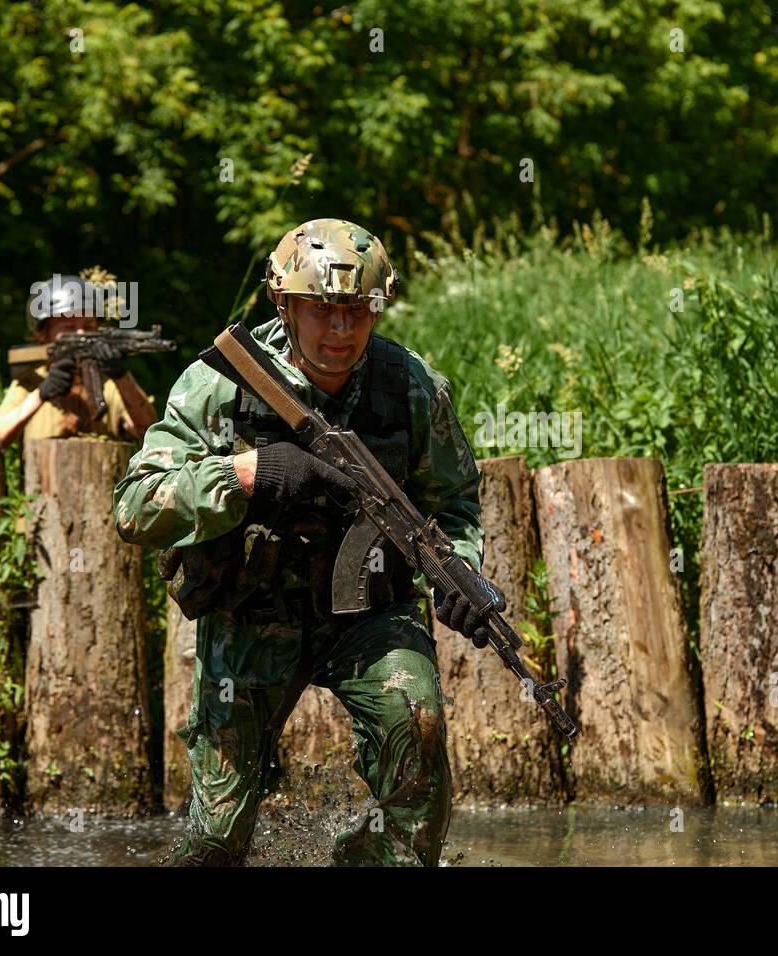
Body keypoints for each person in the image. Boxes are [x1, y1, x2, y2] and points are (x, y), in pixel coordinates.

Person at [112, 218, 496, 866]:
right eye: (322, 310)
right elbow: (134, 507)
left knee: (419, 732)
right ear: (283, 303)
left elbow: (453, 503)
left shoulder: (411, 388)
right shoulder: (221, 382)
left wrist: (458, 573)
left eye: (357, 311)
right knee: (215, 841)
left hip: (371, 610)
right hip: (251, 610)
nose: (341, 331)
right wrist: (247, 474)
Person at [0, 275, 156, 443]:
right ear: (42, 335)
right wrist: (42, 393)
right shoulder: (31, 381)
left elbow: (148, 431)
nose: (81, 334)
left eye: (88, 326)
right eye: (69, 327)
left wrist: (121, 375)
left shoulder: (109, 383)